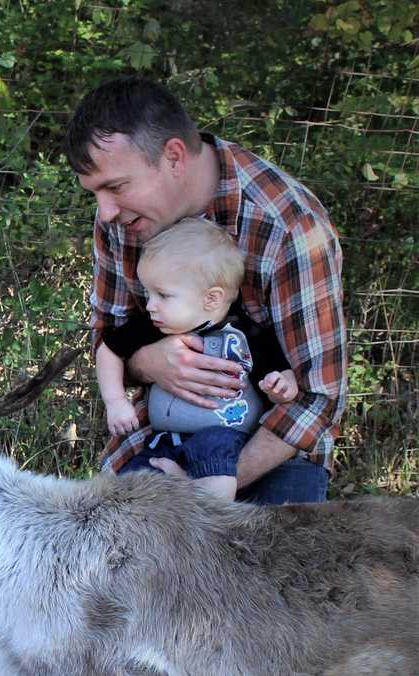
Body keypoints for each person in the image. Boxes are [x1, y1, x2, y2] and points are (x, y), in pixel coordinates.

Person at [66, 75, 347, 505]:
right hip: (161, 435)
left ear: (174, 156)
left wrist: (204, 486)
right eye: (95, 194)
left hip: (274, 451)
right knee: (102, 553)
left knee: (259, 563)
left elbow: (318, 399)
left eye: (115, 187)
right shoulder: (125, 220)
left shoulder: (290, 228)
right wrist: (151, 361)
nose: (105, 212)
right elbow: (108, 336)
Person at [96, 217, 300, 500]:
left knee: (217, 473)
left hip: (222, 438)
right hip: (164, 440)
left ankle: (202, 507)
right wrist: (115, 402)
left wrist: (283, 383)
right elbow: (108, 350)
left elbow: (283, 372)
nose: (150, 305)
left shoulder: (247, 335)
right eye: (148, 294)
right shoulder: (153, 326)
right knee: (126, 490)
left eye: (163, 295)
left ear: (211, 299)